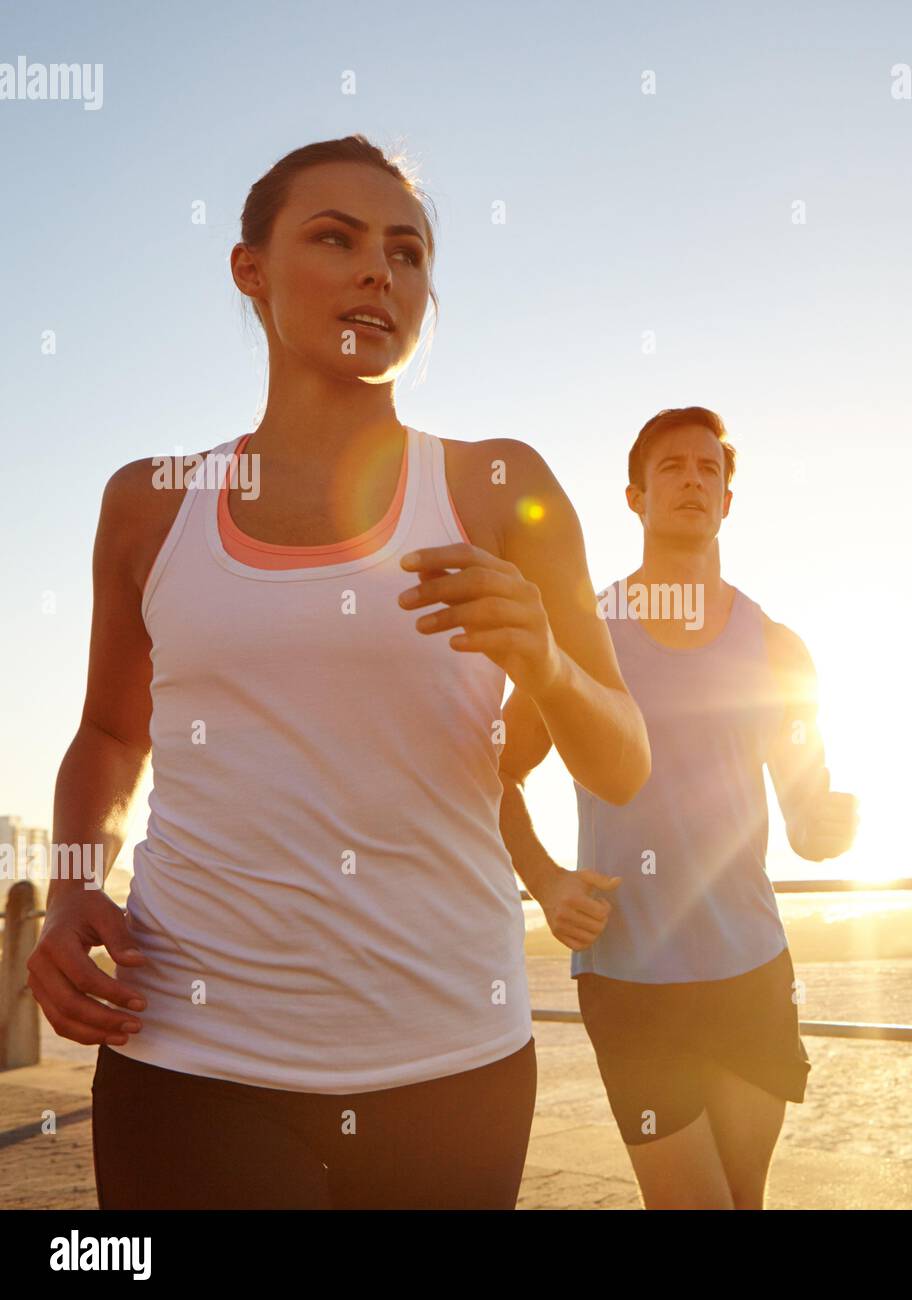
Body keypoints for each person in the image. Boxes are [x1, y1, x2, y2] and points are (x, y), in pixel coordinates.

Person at [26, 134, 649, 1210]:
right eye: (337, 238)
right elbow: (111, 734)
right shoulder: (150, 502)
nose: (382, 272)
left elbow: (623, 759)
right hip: (187, 1051)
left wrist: (543, 660)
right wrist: (77, 879)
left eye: (409, 254)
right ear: (250, 271)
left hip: (449, 1061)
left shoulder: (502, 485)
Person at [498, 406, 859, 1209]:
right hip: (629, 976)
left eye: (709, 471)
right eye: (672, 468)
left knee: (740, 1201)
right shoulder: (582, 633)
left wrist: (831, 825)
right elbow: (493, 771)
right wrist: (547, 880)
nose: (693, 481)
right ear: (635, 496)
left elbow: (806, 822)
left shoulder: (778, 648)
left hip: (752, 970)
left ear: (728, 500)